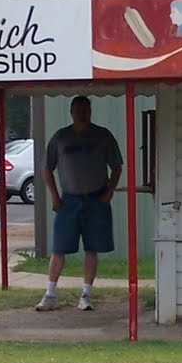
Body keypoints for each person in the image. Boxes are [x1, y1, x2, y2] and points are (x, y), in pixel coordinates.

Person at [36, 95, 123, 312]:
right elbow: (47, 168)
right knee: (59, 247)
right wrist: (55, 196)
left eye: (85, 110)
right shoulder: (61, 138)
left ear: (90, 112)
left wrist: (110, 190)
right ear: (71, 112)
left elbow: (117, 165)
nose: (82, 114)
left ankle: (86, 295)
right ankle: (50, 294)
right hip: (70, 200)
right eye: (78, 110)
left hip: (96, 198)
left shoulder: (102, 136)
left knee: (92, 248)